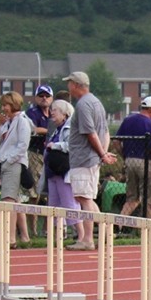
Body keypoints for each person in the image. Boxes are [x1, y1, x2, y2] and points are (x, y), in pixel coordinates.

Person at [63, 71, 117, 251]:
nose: (68, 87)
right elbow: (105, 132)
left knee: (84, 198)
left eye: (70, 83)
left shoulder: (83, 105)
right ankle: (99, 234)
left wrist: (101, 154)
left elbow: (90, 132)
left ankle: (90, 238)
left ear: (76, 85)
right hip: (91, 158)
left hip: (84, 158)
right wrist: (103, 152)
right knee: (84, 197)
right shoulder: (96, 103)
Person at [114, 96, 151, 221]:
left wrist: (125, 156)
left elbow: (116, 142)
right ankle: (147, 230)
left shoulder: (128, 120)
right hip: (145, 162)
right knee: (148, 200)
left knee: (132, 198)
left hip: (130, 161)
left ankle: (118, 223)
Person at [0, 91, 33, 248]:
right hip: (4, 161)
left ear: (14, 104)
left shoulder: (22, 121)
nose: (4, 108)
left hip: (14, 163)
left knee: (8, 200)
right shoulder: (9, 122)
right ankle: (18, 236)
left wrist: (9, 160)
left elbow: (23, 145)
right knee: (12, 200)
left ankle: (9, 238)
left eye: (6, 105)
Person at [43, 99, 85, 243]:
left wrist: (55, 146)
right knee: (54, 205)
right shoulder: (56, 129)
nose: (51, 112)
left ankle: (81, 235)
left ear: (64, 113)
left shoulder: (68, 128)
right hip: (53, 172)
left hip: (63, 171)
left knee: (69, 204)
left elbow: (71, 146)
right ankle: (58, 236)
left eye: (55, 110)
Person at [24, 85, 53, 236]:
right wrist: (50, 131)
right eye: (41, 95)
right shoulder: (32, 112)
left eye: (47, 96)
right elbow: (34, 129)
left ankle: (46, 229)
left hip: (50, 155)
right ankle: (33, 230)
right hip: (35, 154)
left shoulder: (54, 112)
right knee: (34, 193)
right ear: (36, 98)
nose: (44, 98)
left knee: (50, 193)